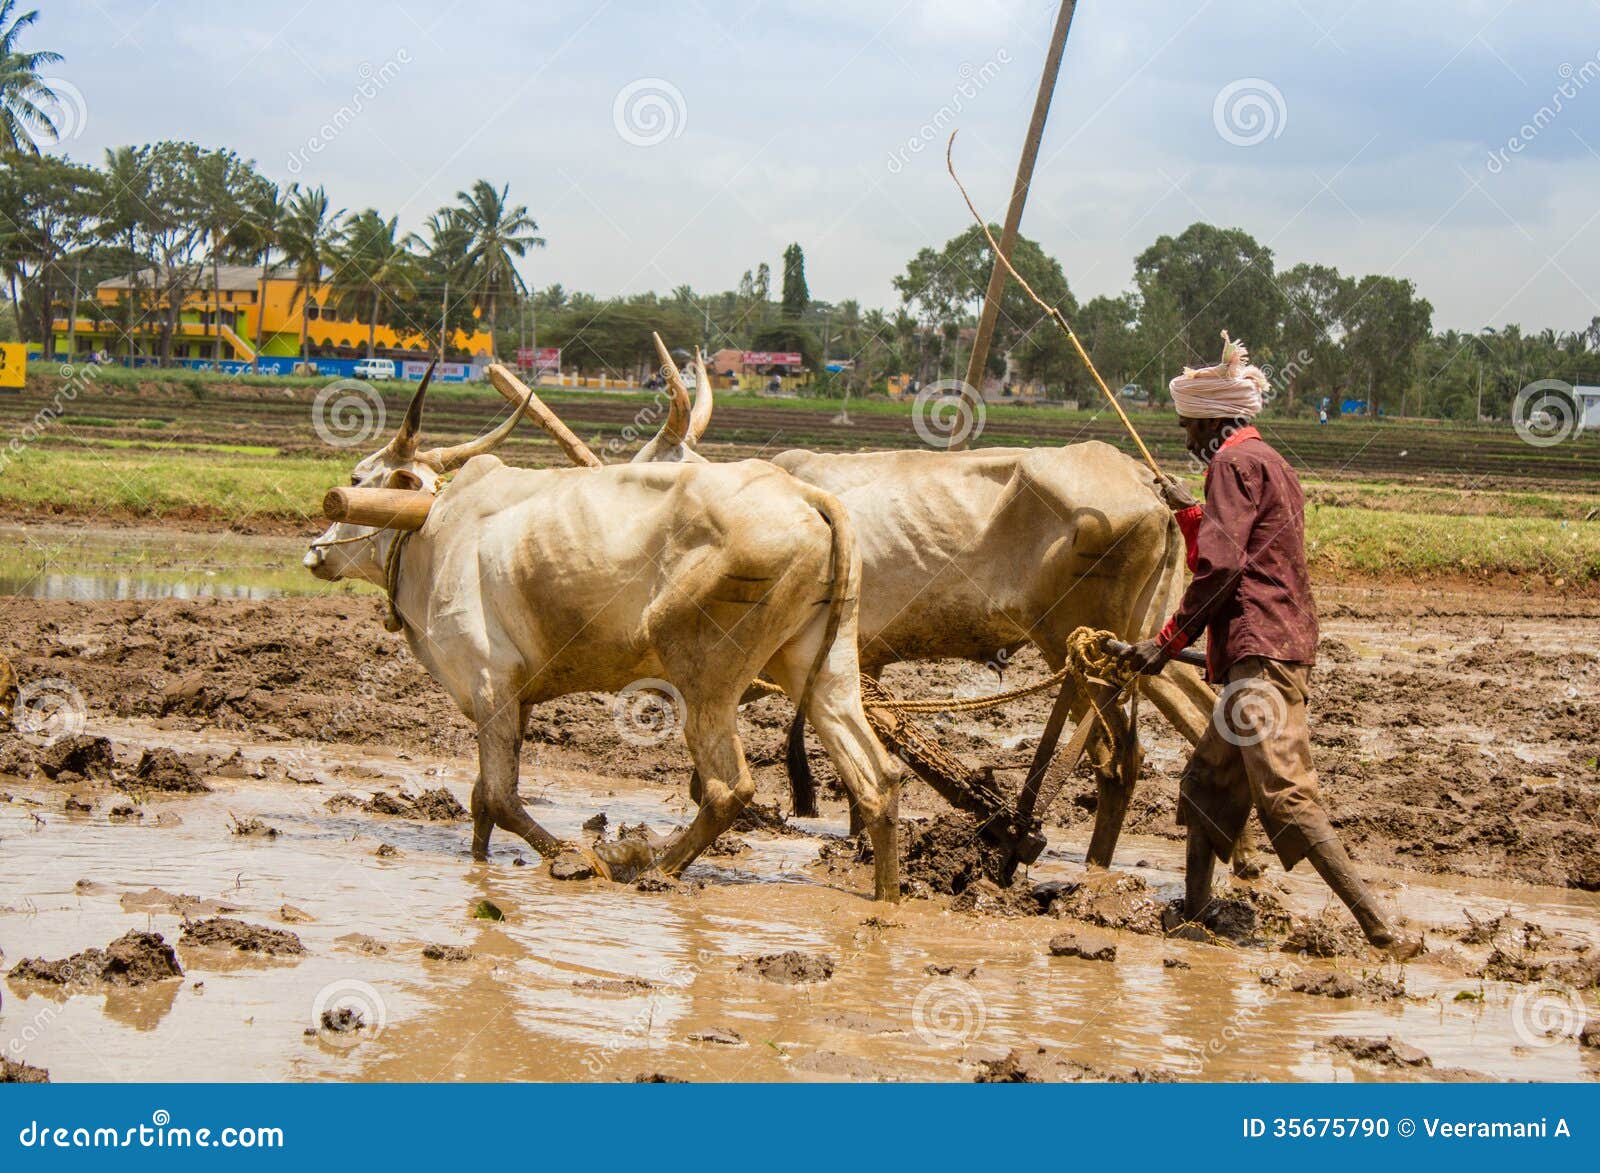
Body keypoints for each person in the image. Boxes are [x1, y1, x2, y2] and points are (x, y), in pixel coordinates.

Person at [1122, 333, 1420, 958]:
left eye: (1186, 425)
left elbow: (1223, 570)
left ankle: (1380, 928)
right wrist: (1194, 514)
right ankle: (1196, 910)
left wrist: (1166, 641)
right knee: (1207, 780)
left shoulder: (1229, 466)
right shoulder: (1270, 463)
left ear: (1212, 418)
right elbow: (1251, 547)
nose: (1182, 439)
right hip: (1276, 640)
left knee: (1287, 791)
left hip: (1259, 650)